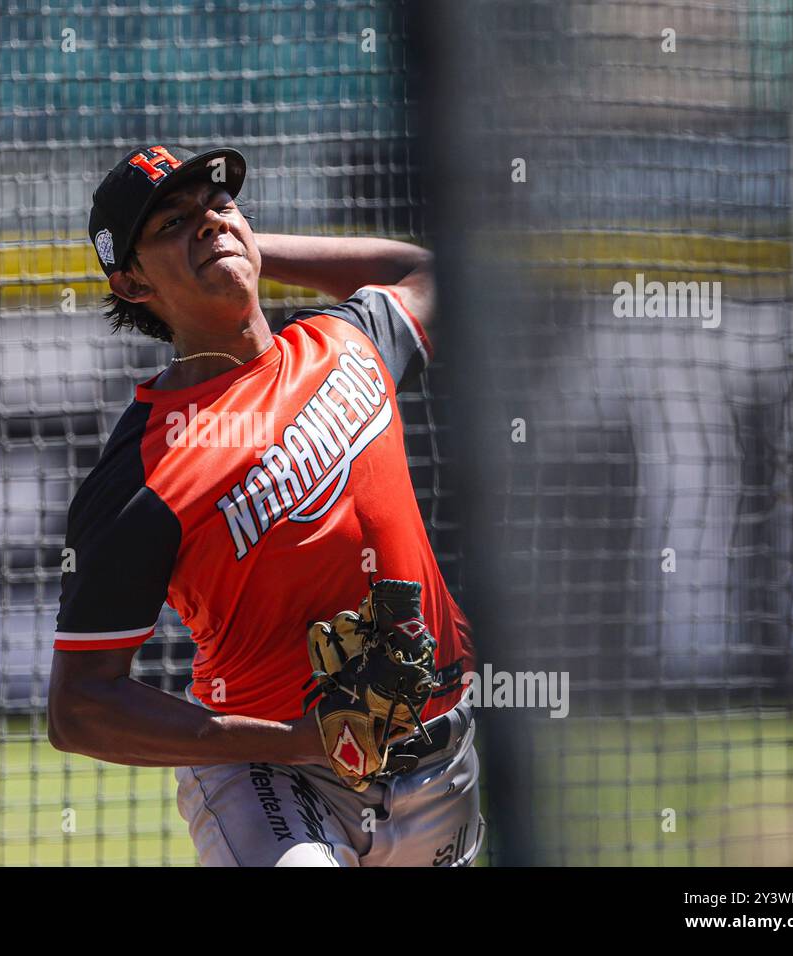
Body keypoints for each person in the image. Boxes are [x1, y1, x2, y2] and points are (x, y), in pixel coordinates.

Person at [48, 144, 481, 866]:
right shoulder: (143, 473)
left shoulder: (349, 339)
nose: (210, 221)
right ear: (129, 283)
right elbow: (80, 708)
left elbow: (431, 273)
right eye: (172, 224)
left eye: (220, 205)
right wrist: (297, 740)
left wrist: (236, 246)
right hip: (273, 774)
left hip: (442, 760)